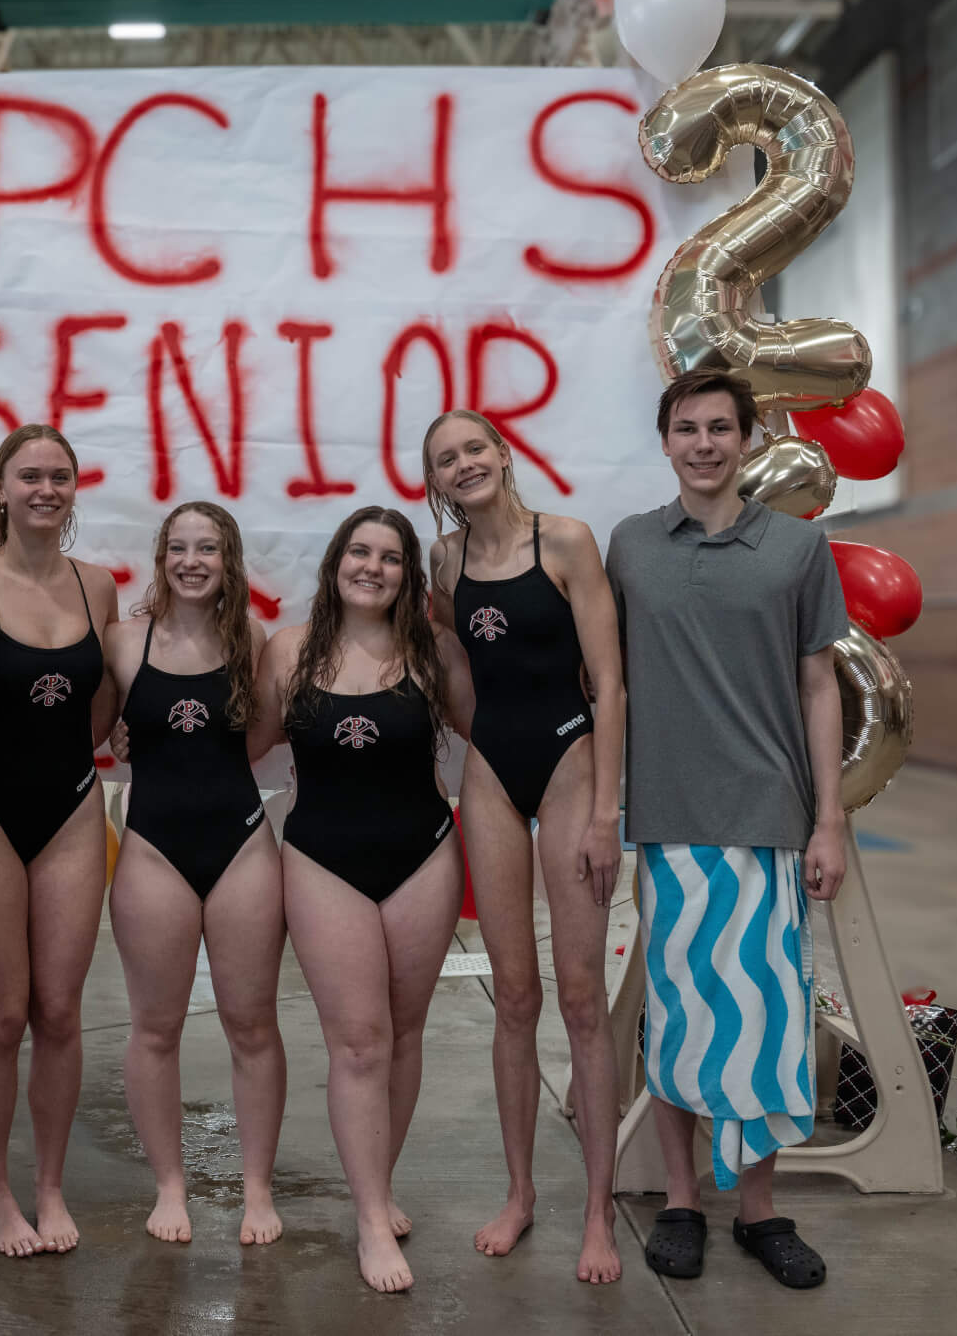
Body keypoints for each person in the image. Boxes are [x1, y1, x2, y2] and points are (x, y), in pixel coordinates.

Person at [605, 367, 848, 1290]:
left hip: (767, 819)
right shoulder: (630, 547)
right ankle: (680, 1202)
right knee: (679, 1016)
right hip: (668, 819)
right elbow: (608, 677)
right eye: (686, 428)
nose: (703, 443)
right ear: (664, 441)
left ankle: (761, 1211)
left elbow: (819, 686)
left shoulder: (795, 549)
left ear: (747, 440)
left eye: (720, 428)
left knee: (768, 1019)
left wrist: (827, 820)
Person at [421, 410, 627, 1281]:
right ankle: (519, 1195)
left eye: (474, 449)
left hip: (575, 763)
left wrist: (607, 810)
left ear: (503, 456)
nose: (464, 465)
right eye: (445, 461)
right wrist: (474, 749)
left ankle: (597, 1216)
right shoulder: (445, 562)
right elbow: (457, 670)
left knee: (581, 997)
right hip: (492, 771)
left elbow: (612, 684)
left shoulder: (568, 543)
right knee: (514, 995)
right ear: (435, 484)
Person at [252, 506, 472, 1294]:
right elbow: (243, 742)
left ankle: (376, 1184)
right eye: (359, 552)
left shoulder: (434, 649)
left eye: (390, 557)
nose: (372, 567)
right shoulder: (289, 649)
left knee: (404, 1034)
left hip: (424, 854)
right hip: (321, 859)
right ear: (336, 562)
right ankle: (372, 1220)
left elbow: (491, 728)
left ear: (409, 575)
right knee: (358, 1042)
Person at [0, 423, 121, 1257]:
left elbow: (101, 706)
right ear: (0, 490)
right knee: (3, 1016)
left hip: (73, 810)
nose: (45, 489)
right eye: (29, 476)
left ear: (73, 488)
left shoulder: (99, 587)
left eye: (59, 476)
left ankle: (49, 1185)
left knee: (59, 1010)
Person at [104, 502, 286, 1247]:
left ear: (228, 559)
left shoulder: (253, 641)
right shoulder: (123, 641)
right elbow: (98, 734)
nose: (191, 561)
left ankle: (257, 1190)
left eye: (206, 548)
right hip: (151, 846)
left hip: (240, 841)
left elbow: (262, 739)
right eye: (178, 548)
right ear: (160, 558)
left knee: (252, 1025)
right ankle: (170, 1186)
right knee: (156, 1026)